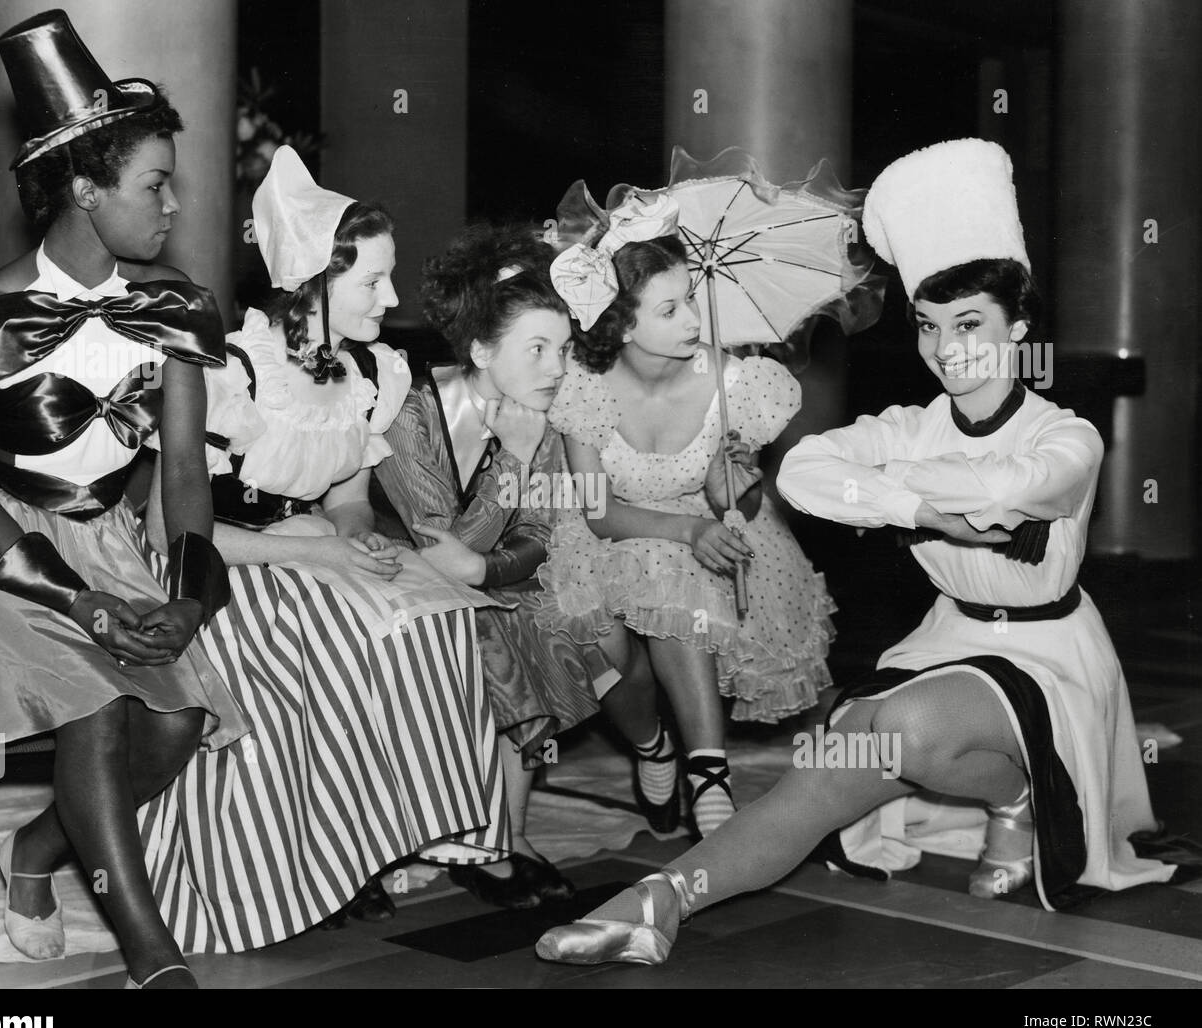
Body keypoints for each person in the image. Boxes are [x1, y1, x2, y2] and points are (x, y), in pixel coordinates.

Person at [534, 138, 1175, 967]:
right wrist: (919, 505)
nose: (950, 351)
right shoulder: (911, 424)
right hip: (949, 644)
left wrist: (896, 489)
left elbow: (1023, 484)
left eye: (973, 325)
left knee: (898, 726)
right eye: (932, 327)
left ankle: (1021, 793)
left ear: (1020, 325)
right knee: (832, 759)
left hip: (1049, 656)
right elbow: (804, 470)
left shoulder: (1067, 435)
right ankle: (658, 900)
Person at [0, 12, 245, 988]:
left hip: (116, 540)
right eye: (154, 183)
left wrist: (190, 594)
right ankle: (153, 956)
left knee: (175, 723)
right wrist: (80, 602)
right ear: (86, 189)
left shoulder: (172, 302)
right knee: (98, 706)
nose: (174, 203)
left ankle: (39, 850)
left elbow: (183, 472)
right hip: (1, 556)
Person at [137, 146, 511, 950]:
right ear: (312, 280)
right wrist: (317, 556)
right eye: (372, 281)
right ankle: (284, 867)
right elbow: (180, 531)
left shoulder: (371, 372)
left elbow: (346, 495)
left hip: (310, 548)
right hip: (220, 565)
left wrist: (349, 540)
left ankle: (366, 843)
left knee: (428, 620)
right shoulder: (237, 367)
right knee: (310, 644)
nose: (393, 295)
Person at [534, 184, 836, 839]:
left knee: (673, 581)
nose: (693, 321)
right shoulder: (585, 386)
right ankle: (650, 745)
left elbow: (741, 504)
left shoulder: (737, 383)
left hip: (694, 541)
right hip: (608, 529)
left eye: (691, 300)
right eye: (670, 308)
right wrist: (690, 527)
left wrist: (736, 488)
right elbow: (594, 510)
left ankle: (708, 771)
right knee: (600, 642)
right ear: (621, 321)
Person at [372, 223, 659, 910]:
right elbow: (440, 547)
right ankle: (471, 835)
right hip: (398, 583)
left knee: (549, 622)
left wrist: (492, 569)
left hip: (492, 578)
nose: (557, 368)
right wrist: (513, 464)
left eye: (561, 350)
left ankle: (511, 830)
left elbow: (535, 537)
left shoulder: (543, 414)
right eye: (537, 349)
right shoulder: (409, 414)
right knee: (510, 629)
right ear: (479, 348)